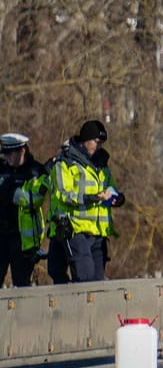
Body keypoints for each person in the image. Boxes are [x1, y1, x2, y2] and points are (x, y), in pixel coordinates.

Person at [47, 120, 121, 284]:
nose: (99, 146)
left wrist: (116, 199)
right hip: (75, 229)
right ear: (85, 139)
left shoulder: (102, 165)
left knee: (96, 282)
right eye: (97, 142)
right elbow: (63, 194)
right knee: (85, 278)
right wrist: (93, 197)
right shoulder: (64, 163)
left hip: (97, 232)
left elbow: (111, 189)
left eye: (102, 143)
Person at [2, 132, 44, 286]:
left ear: (22, 151)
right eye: (4, 154)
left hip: (23, 241)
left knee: (21, 284)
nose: (6, 158)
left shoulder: (36, 172)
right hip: (1, 234)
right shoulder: (2, 169)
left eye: (9, 154)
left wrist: (12, 193)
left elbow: (36, 200)